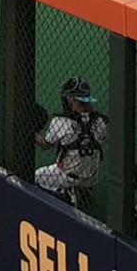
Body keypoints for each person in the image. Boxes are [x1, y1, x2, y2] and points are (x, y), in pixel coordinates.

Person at [32, 77, 107, 208]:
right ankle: (83, 192)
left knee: (33, 178)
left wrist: (29, 131)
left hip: (67, 176)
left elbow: (45, 145)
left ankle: (66, 196)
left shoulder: (60, 121)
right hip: (91, 179)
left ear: (71, 99)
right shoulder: (101, 122)